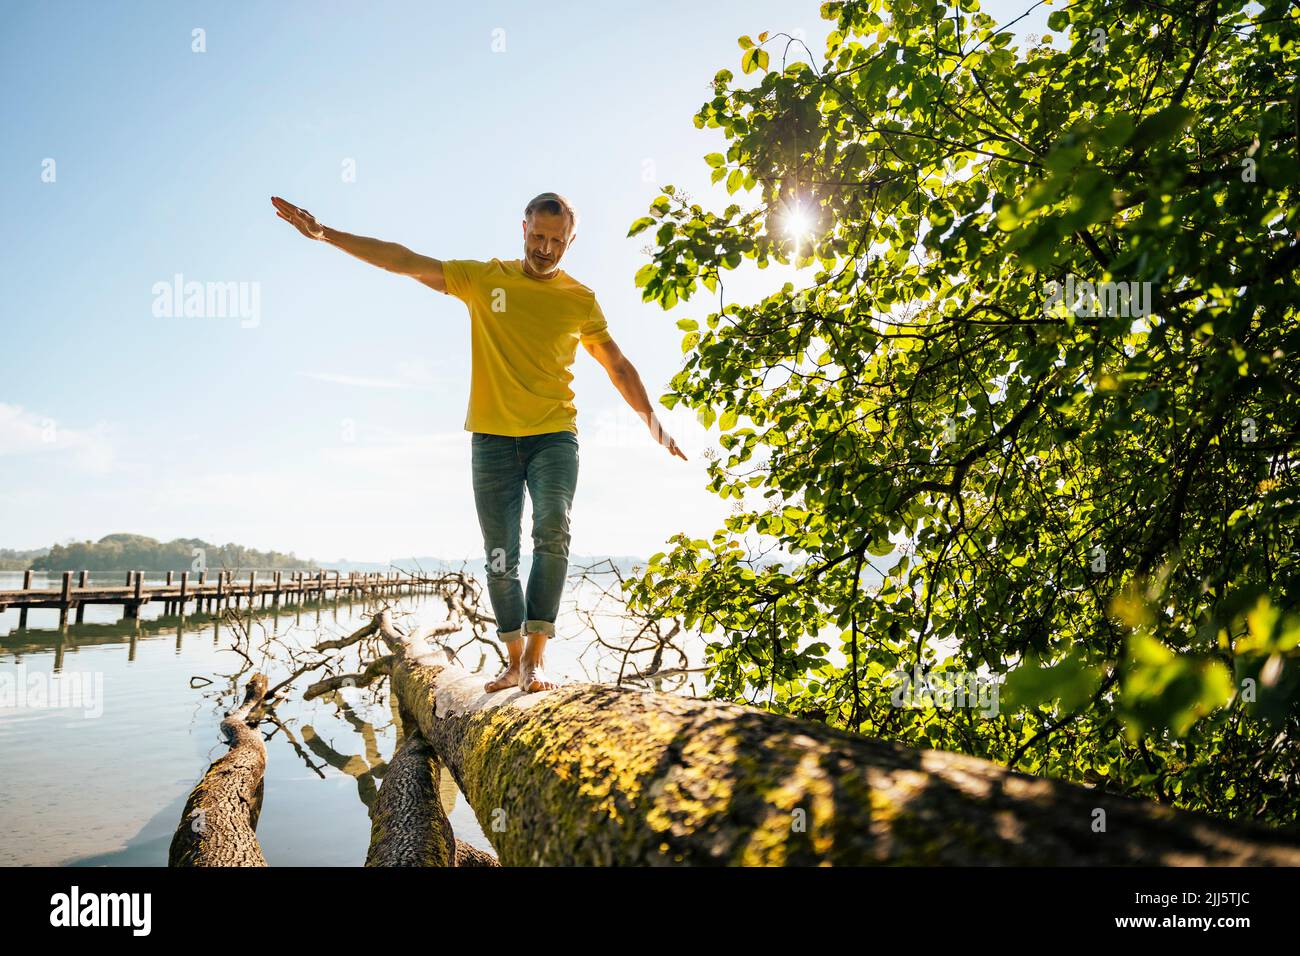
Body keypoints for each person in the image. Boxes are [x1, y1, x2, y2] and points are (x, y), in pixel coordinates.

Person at [271, 192, 686, 693]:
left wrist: (651, 420)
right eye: (538, 236)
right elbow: (403, 261)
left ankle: (536, 658)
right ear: (523, 227)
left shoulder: (579, 299)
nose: (546, 249)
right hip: (491, 440)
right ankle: (513, 660)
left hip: (554, 435)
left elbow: (616, 364)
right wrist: (325, 234)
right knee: (499, 555)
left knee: (553, 527)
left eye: (558, 241)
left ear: (571, 241)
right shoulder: (485, 280)